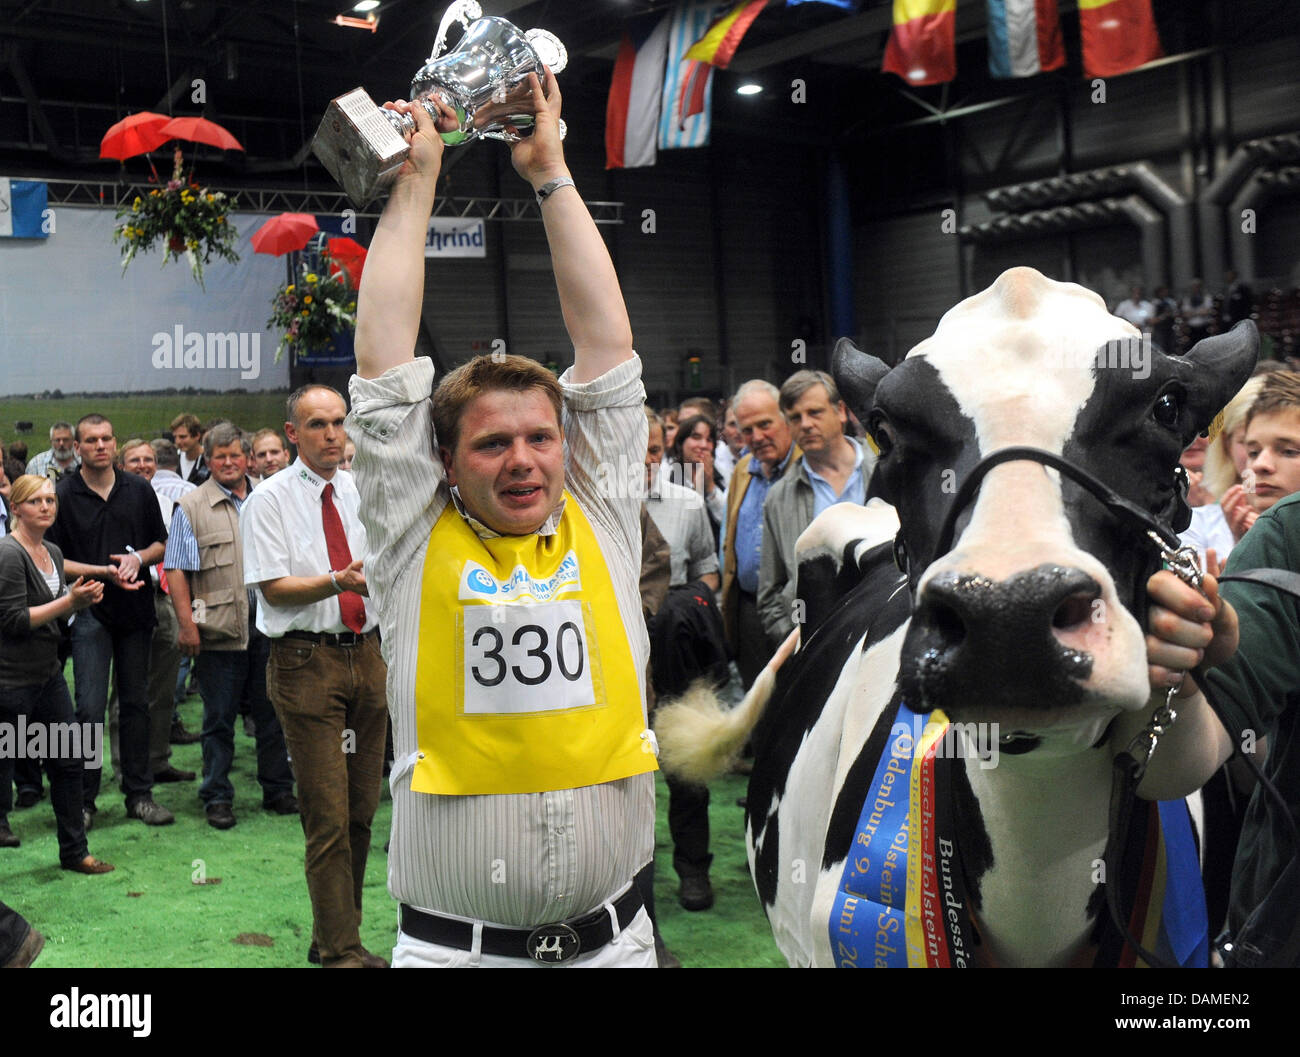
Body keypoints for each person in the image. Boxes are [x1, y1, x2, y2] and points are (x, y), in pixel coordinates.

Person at [347, 69, 658, 968]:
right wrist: (418, 178)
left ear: (567, 447)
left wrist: (550, 172)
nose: (522, 459)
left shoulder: (601, 513)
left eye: (539, 438)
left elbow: (606, 351)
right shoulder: (411, 538)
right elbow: (382, 362)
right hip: (459, 955)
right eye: (491, 445)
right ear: (443, 462)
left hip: (617, 944)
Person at [241, 386, 388, 968]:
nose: (332, 434)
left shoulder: (362, 491)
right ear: (293, 433)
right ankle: (341, 952)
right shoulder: (269, 499)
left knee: (360, 811)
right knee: (327, 815)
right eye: (318, 424)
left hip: (369, 655)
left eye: (338, 423)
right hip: (304, 661)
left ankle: (334, 935)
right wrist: (338, 581)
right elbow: (273, 588)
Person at [167, 424, 296, 830]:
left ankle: (278, 790)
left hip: (271, 628)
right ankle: (217, 796)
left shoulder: (273, 496)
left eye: (235, 456)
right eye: (219, 457)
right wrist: (188, 626)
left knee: (273, 715)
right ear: (207, 461)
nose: (227, 463)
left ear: (249, 459)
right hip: (218, 632)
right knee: (218, 719)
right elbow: (176, 571)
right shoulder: (190, 506)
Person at [45, 414, 172, 829]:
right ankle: (83, 800)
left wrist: (139, 559)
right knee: (88, 709)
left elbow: (160, 543)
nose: (100, 445)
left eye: (106, 438)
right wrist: (104, 572)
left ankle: (139, 794)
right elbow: (54, 560)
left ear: (114, 444)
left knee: (136, 704)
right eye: (91, 440)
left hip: (136, 613)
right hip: (88, 612)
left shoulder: (138, 489)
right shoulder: (62, 494)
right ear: (76, 448)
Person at [0, 475, 113, 873]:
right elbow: (14, 620)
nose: (46, 507)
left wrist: (78, 602)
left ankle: (74, 852)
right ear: (16, 508)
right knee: (7, 763)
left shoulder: (52, 551)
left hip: (47, 675)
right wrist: (70, 600)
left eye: (50, 500)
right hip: (11, 680)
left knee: (68, 760)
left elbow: (51, 616)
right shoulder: (9, 554)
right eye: (35, 501)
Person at [643, 410, 724, 913]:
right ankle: (623, 881)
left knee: (686, 764)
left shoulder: (688, 504)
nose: (642, 460)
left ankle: (693, 869)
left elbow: (709, 573)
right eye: (632, 449)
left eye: (652, 449)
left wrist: (683, 607)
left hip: (677, 649)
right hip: (615, 651)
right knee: (620, 774)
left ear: (665, 449)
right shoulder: (585, 505)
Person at [758, 370, 874, 647]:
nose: (806, 424)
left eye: (815, 412)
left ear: (841, 411)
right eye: (795, 418)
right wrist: (796, 645)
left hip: (884, 632)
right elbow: (769, 592)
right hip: (817, 644)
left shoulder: (885, 471)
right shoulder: (779, 497)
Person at [109, 439, 193, 785]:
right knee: (128, 689)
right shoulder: (112, 502)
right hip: (129, 600)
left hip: (166, 599)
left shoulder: (166, 502)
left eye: (148, 460)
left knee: (164, 686)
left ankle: (157, 760)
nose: (143, 465)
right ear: (121, 464)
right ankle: (123, 764)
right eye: (134, 460)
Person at [721, 380, 800, 688]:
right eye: (747, 430)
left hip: (794, 611)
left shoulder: (808, 468)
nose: (757, 437)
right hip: (747, 614)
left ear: (784, 418)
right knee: (756, 706)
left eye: (765, 424)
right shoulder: (742, 470)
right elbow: (728, 543)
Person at [670, 412, 726, 537]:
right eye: (696, 437)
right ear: (680, 442)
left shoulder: (722, 477)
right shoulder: (667, 478)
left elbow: (729, 524)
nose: (703, 445)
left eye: (709, 440)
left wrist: (710, 486)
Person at [170, 413, 209, 485]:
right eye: (175, 437)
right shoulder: (173, 458)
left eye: (182, 437)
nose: (177, 441)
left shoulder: (209, 460)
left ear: (197, 435)